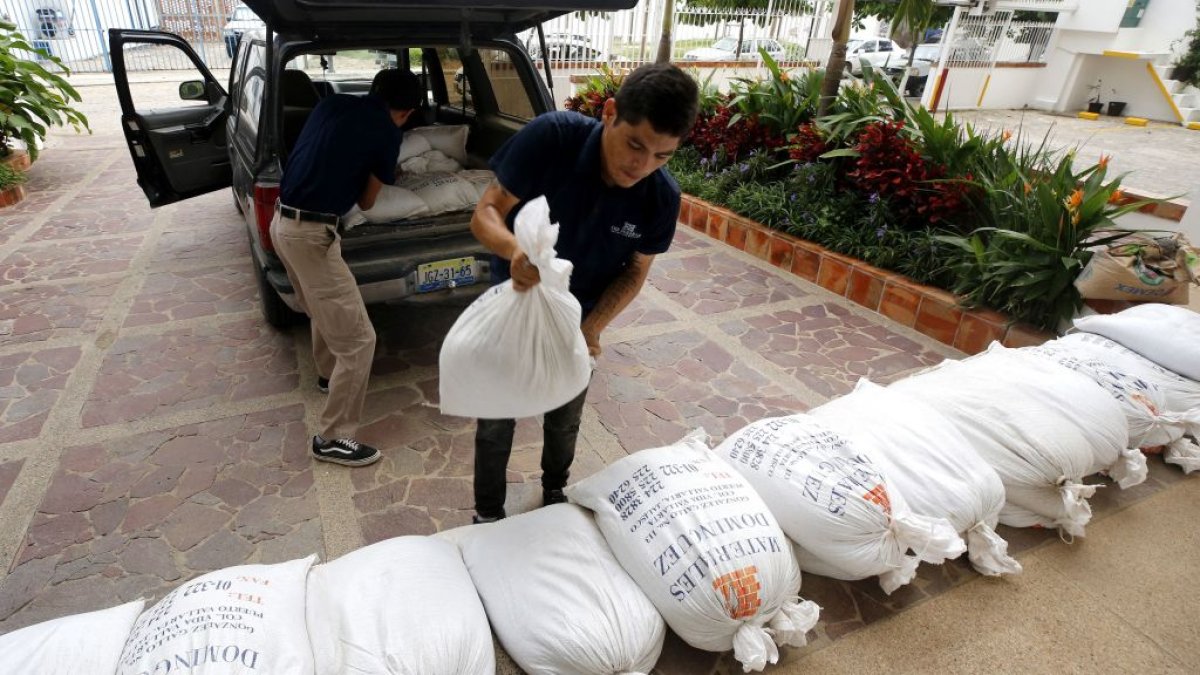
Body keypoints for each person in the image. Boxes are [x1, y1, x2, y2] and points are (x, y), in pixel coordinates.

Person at [468, 63, 700, 523]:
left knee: (564, 419)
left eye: (662, 156)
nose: (642, 165)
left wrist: (591, 329)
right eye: (635, 144)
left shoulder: (660, 197)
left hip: (577, 320)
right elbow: (485, 213)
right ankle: (487, 515)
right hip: (512, 307)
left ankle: (554, 491)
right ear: (610, 112)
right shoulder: (552, 138)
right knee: (496, 423)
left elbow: (634, 273)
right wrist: (514, 250)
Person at [270, 68, 422, 467]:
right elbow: (369, 202)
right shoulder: (388, 133)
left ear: (374, 90)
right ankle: (334, 438)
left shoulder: (332, 104)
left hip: (281, 225)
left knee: (325, 308)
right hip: (312, 236)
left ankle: (326, 376)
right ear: (407, 112)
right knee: (359, 341)